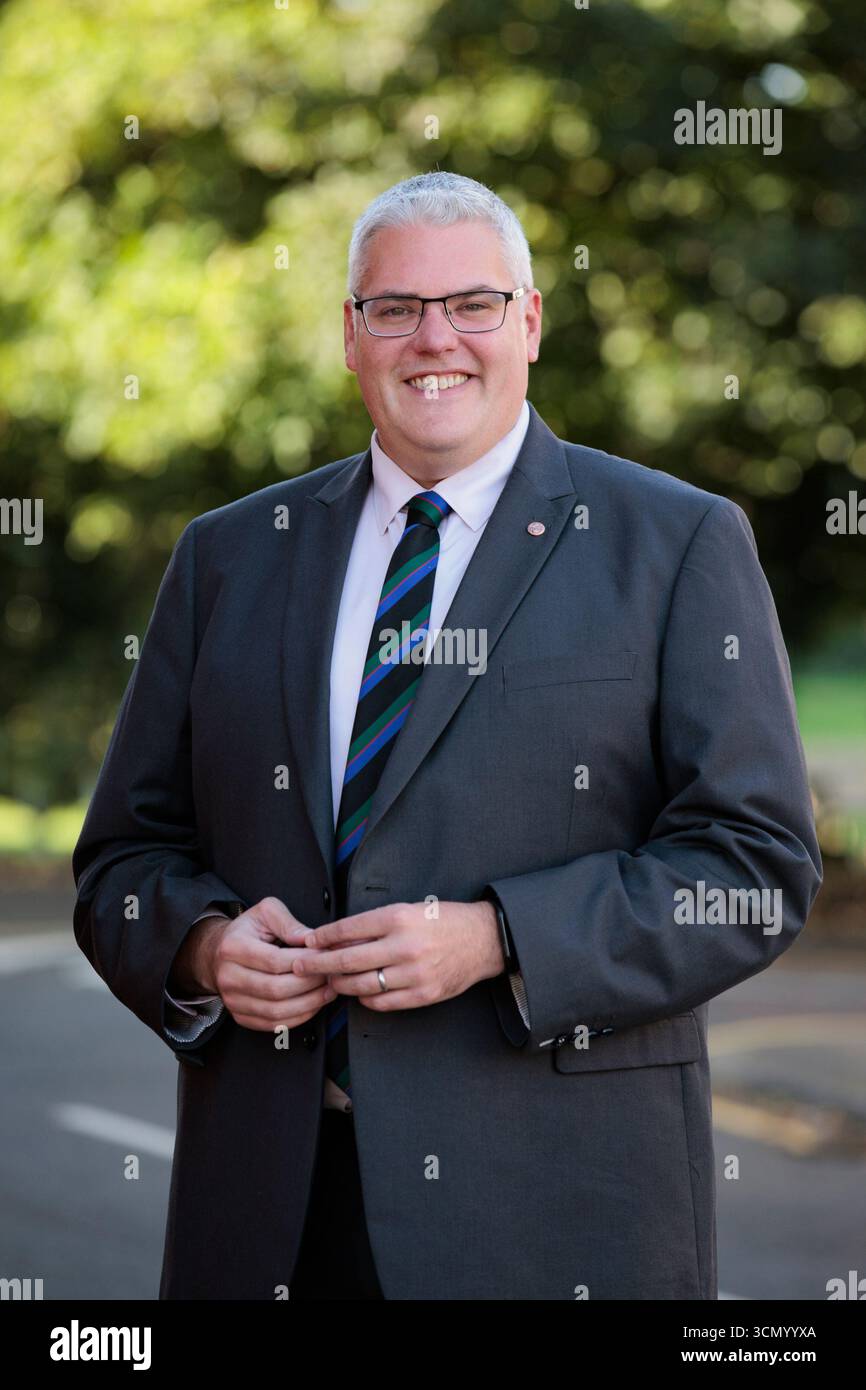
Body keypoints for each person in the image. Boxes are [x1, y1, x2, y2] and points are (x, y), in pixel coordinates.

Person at [72, 170, 822, 1300]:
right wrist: (203, 948)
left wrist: (500, 938)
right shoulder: (229, 555)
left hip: (551, 1217)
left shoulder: (673, 543)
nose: (435, 339)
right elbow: (121, 864)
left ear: (526, 321)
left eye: (471, 303)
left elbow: (754, 868)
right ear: (349, 334)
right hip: (272, 1214)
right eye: (394, 308)